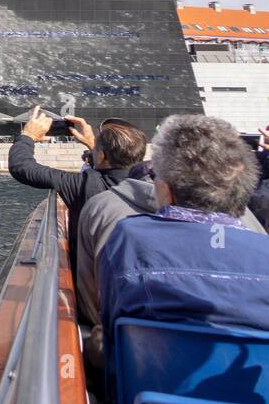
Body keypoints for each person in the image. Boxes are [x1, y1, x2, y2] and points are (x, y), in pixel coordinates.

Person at [98, 115, 269, 359]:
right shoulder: (263, 248)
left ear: (167, 191)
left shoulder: (130, 238)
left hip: (148, 391)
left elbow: (111, 325)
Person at [7, 106, 148, 264]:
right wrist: (96, 148)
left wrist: (28, 135)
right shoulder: (154, 184)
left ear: (101, 155)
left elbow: (21, 167)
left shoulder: (84, 184)